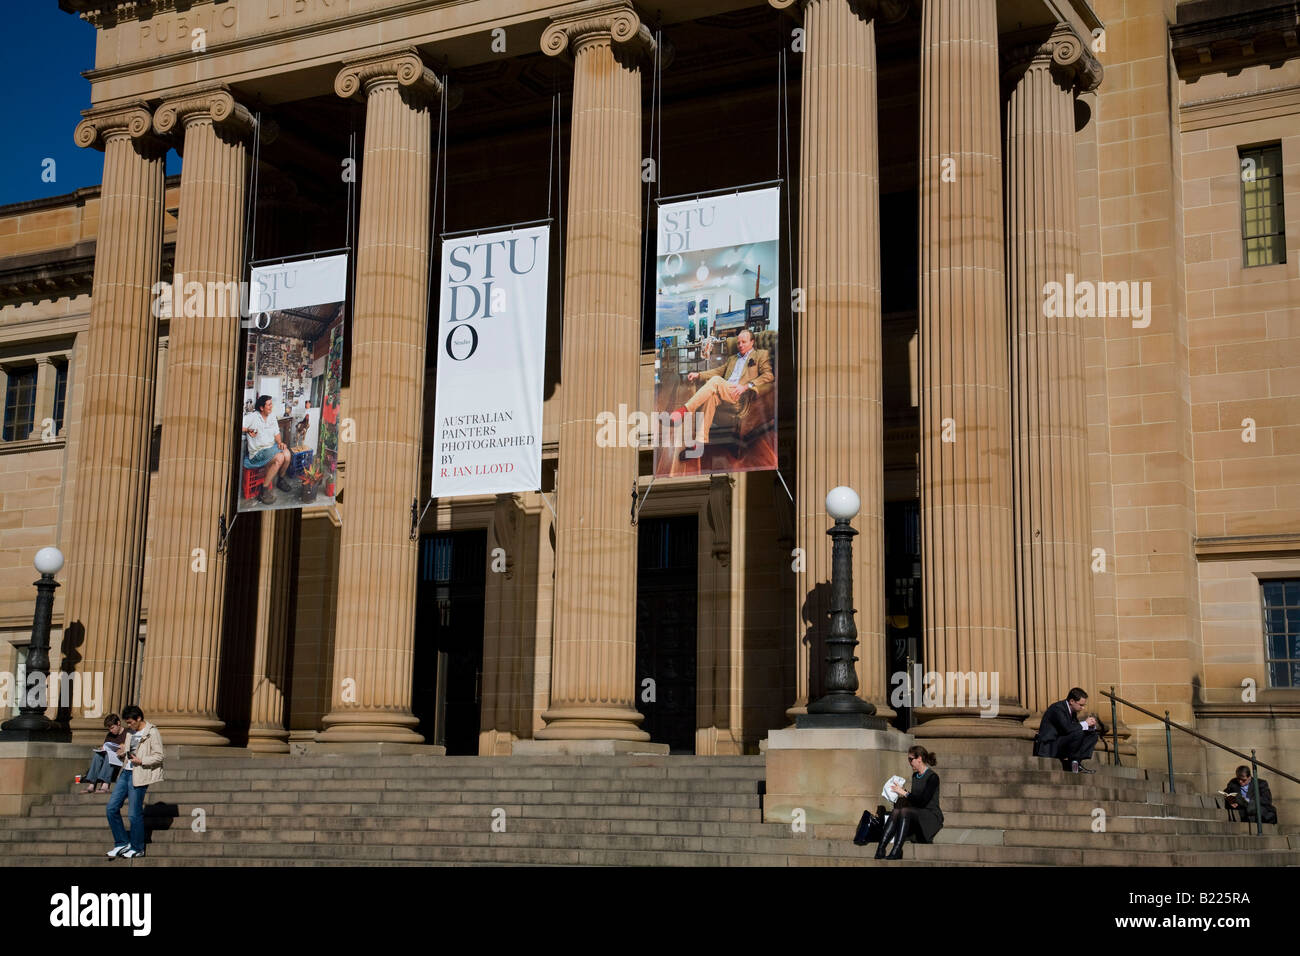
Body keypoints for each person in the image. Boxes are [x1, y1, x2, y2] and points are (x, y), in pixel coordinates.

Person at [668, 329, 773, 456]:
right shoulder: (733, 358)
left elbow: (768, 376)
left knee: (716, 381)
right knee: (711, 396)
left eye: (744, 342)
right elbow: (718, 371)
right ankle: (699, 445)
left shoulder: (761, 355)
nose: (740, 345)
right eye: (738, 342)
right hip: (725, 390)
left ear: (752, 342)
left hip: (740, 394)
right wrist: (699, 374)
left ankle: (684, 411)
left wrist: (746, 386)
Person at [105, 705, 164, 860]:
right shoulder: (131, 732)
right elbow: (129, 751)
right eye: (127, 723)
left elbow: (159, 756)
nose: (128, 726)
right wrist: (121, 753)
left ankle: (138, 848)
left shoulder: (152, 732)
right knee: (111, 808)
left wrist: (142, 760)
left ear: (139, 718)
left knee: (133, 814)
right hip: (126, 772)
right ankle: (122, 843)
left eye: (130, 722)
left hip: (140, 774)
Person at [875, 746, 943, 860]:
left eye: (911, 759)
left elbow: (923, 802)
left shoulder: (933, 777)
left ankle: (897, 849)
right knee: (897, 811)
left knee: (905, 811)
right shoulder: (915, 776)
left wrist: (905, 793)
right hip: (918, 814)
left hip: (931, 816)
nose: (909, 762)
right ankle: (880, 849)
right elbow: (915, 800)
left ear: (919, 759)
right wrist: (902, 793)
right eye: (909, 759)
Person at [1034, 686, 1106, 773]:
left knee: (1093, 735)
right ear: (1072, 701)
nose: (1082, 708)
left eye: (1084, 705)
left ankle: (1076, 762)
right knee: (1078, 732)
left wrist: (1089, 727)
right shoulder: (1057, 709)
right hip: (1050, 746)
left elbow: (1074, 728)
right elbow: (1067, 729)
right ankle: (1074, 761)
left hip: (1061, 743)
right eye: (1081, 705)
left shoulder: (1072, 711)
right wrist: (1085, 723)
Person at [242, 394, 292, 505]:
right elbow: (238, 423)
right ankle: (263, 491)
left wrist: (280, 443)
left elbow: (277, 433)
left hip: (271, 448)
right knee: (280, 458)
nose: (271, 406)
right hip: (257, 453)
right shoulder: (253, 416)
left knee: (287, 454)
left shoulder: (272, 416)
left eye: (271, 404)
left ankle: (281, 479)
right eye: (269, 405)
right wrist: (248, 430)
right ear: (261, 408)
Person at [81, 713, 126, 794]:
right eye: (109, 729)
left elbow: (131, 748)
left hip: (121, 759)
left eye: (112, 728)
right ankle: (92, 784)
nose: (111, 731)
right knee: (98, 755)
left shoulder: (127, 733)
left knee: (109, 754)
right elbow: (106, 746)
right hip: (110, 760)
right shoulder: (110, 735)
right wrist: (102, 748)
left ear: (118, 723)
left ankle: (105, 784)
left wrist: (123, 747)